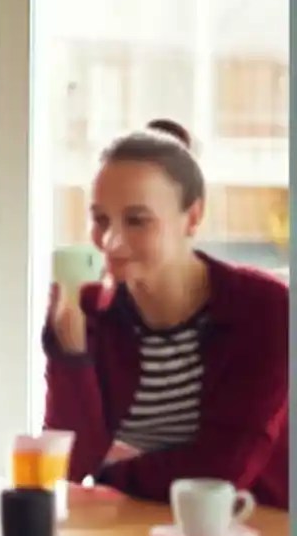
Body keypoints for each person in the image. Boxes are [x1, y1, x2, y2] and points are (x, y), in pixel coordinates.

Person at [45, 120, 288, 511]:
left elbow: (221, 476)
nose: (111, 241)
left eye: (137, 220)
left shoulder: (268, 312)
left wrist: (114, 473)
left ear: (192, 217)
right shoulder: (90, 311)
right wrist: (71, 354)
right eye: (101, 219)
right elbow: (74, 463)